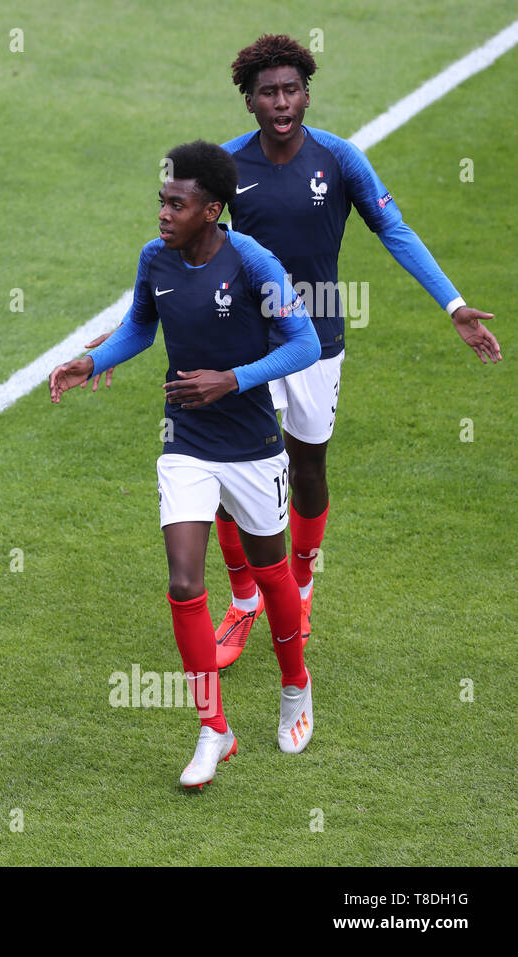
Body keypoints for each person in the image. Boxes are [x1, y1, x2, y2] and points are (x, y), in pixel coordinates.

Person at [208, 34, 503, 666]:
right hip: (244, 342)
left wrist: (454, 306)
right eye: (269, 92)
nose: (282, 101)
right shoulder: (225, 167)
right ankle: (242, 602)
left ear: (306, 94)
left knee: (308, 467)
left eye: (291, 89)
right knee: (230, 477)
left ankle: (302, 589)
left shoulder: (340, 160)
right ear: (250, 102)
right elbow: (182, 243)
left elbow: (392, 227)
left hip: (317, 342)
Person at [50, 141, 321, 788]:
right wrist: (95, 361)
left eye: (178, 203)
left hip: (254, 446)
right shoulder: (155, 258)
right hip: (186, 444)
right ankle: (213, 727)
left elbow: (305, 342)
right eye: (162, 201)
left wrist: (232, 379)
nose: (164, 214)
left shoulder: (252, 262)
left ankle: (294, 684)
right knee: (182, 580)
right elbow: (142, 328)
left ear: (212, 210)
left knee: (273, 574)